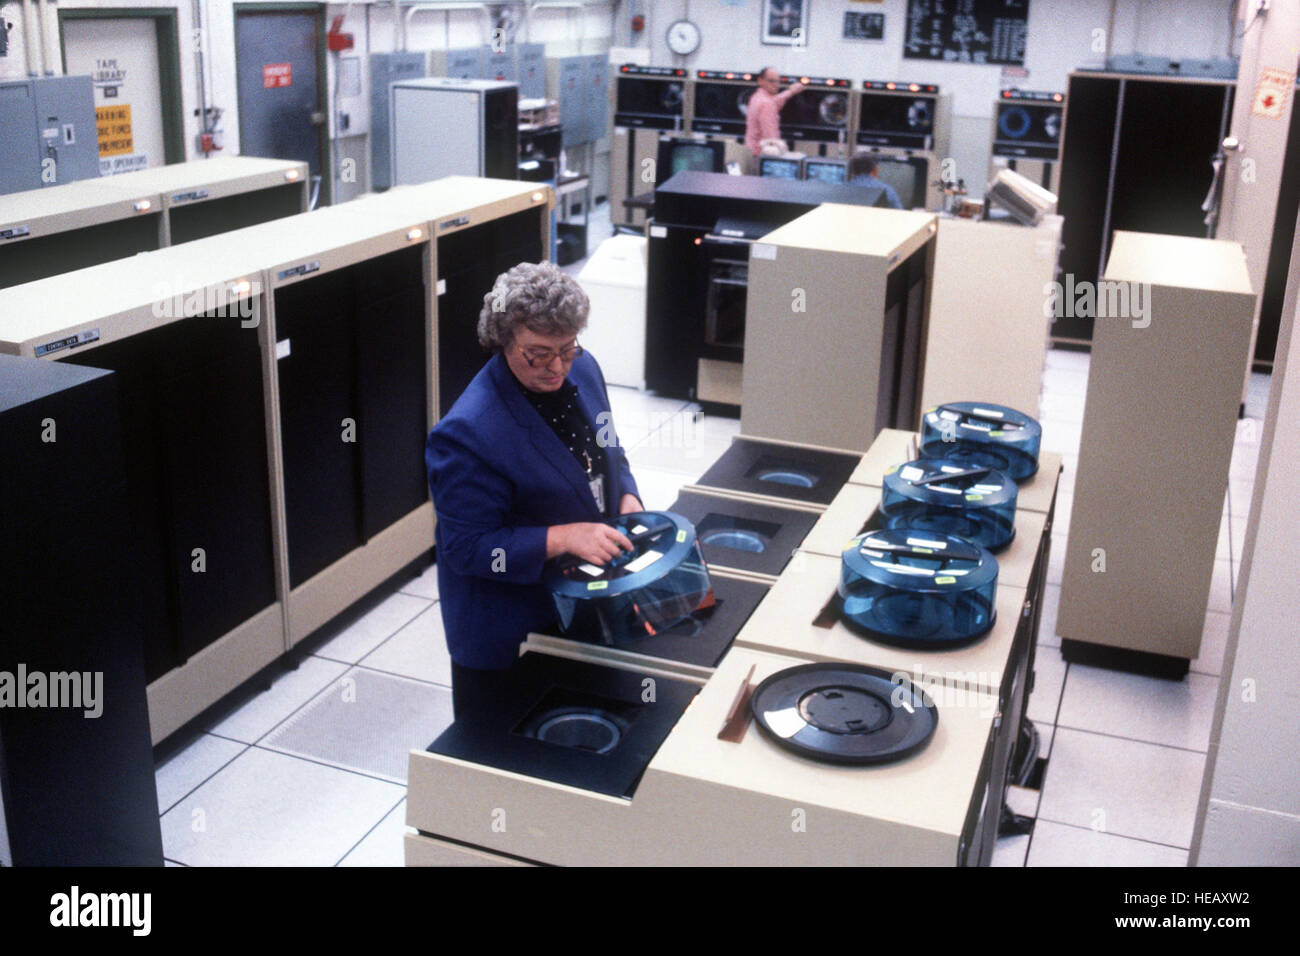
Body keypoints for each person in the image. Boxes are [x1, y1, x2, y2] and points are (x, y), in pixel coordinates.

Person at [425, 261, 644, 715]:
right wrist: (565, 537)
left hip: (581, 598)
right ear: (503, 340)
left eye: (567, 349)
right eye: (538, 353)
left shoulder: (584, 370)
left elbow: (608, 448)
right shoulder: (468, 431)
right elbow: (466, 547)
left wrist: (627, 494)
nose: (556, 367)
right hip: (509, 627)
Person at [745, 67, 806, 167]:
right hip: (763, 158)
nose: (776, 85)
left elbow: (774, 102)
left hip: (752, 154)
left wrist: (790, 91)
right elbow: (772, 140)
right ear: (760, 81)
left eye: (778, 81)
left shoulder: (757, 97)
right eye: (772, 81)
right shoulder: (767, 104)